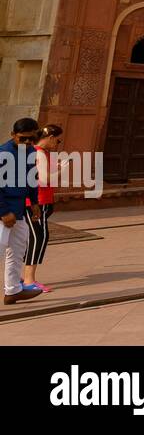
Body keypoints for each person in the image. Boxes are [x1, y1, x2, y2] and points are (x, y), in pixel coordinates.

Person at [1, 118, 42, 305]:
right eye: (22, 139)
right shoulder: (3, 154)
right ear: (13, 136)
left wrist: (34, 202)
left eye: (31, 139)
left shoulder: (31, 152)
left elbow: (32, 178)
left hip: (18, 210)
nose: (27, 143)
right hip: (4, 211)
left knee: (17, 251)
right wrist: (3, 212)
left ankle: (13, 291)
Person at [22, 124, 62, 293]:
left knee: (32, 238)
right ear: (51, 137)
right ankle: (29, 280)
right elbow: (44, 179)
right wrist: (62, 171)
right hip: (37, 202)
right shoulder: (39, 152)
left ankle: (25, 278)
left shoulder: (40, 152)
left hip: (41, 201)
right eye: (58, 140)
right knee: (38, 237)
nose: (58, 144)